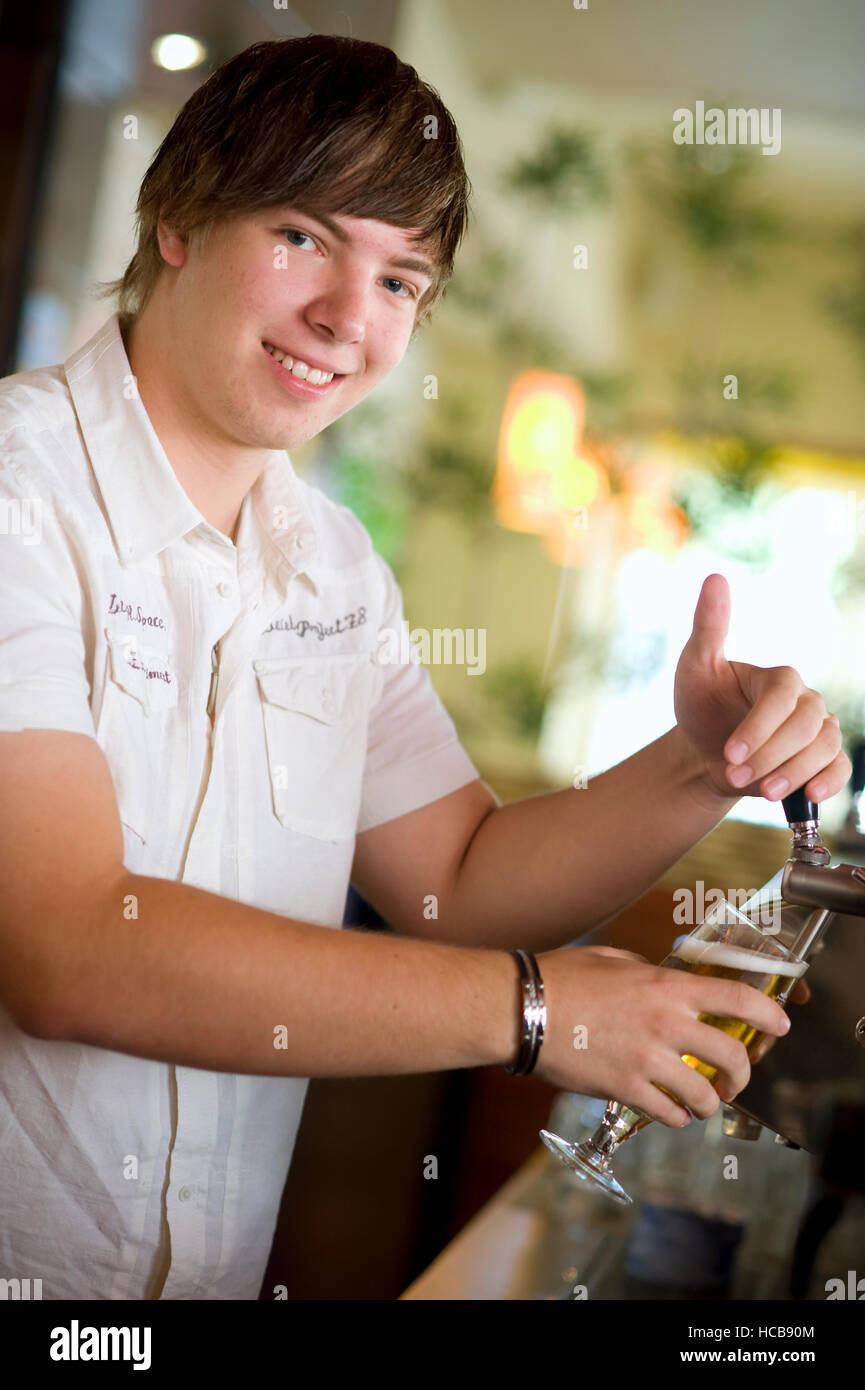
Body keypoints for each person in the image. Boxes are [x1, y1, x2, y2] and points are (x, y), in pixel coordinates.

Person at [0, 35, 848, 1301]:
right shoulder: (19, 493)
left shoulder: (335, 570)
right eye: (303, 237)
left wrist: (697, 761)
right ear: (176, 219)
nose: (349, 318)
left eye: (400, 278)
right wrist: (539, 1013)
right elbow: (68, 945)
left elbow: (458, 883)